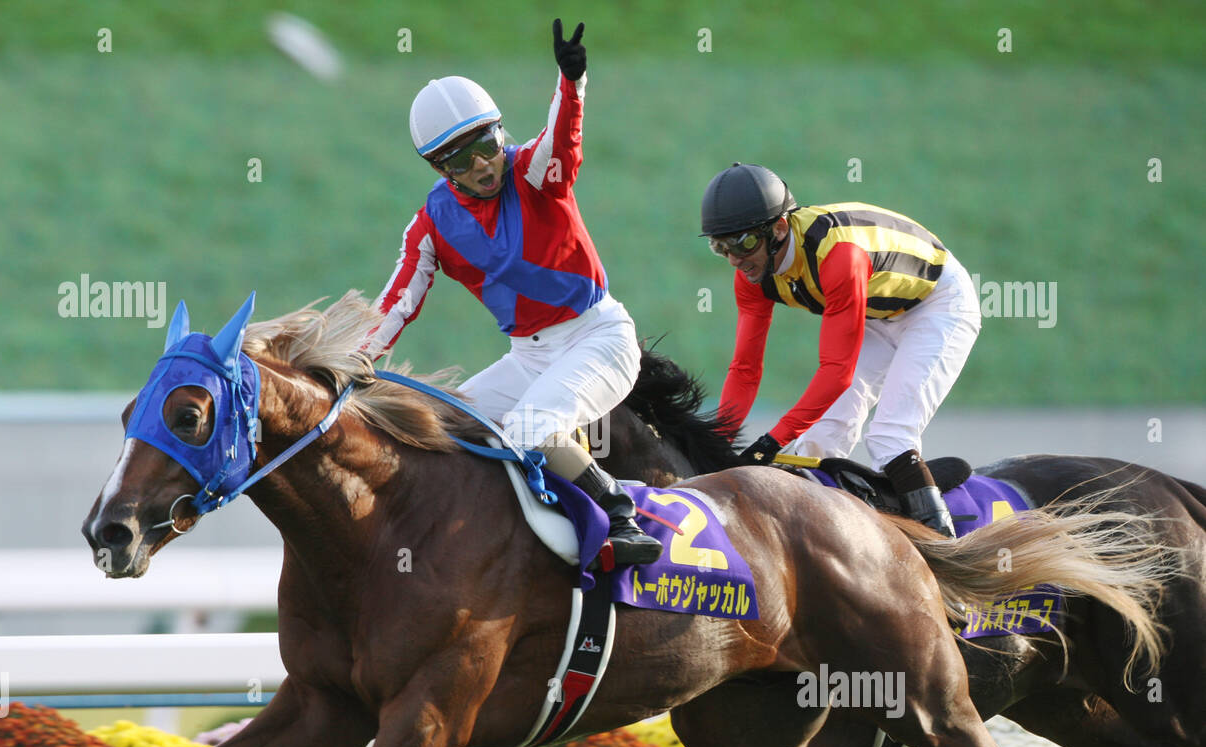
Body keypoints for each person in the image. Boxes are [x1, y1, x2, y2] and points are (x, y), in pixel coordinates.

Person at [361, 19, 662, 565]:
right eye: (460, 159)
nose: (482, 165)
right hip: (529, 355)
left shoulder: (534, 171)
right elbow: (396, 304)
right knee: (440, 426)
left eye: (486, 144)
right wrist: (353, 362)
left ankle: (620, 515)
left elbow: (563, 138)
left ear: (501, 132)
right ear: (437, 167)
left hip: (599, 336)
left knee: (528, 427)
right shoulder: (428, 225)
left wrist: (573, 82)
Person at [701, 163, 982, 536]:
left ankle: (948, 555)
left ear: (780, 228)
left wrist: (772, 440)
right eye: (721, 246)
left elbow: (837, 371)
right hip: (879, 312)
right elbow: (745, 369)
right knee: (817, 441)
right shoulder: (751, 275)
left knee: (890, 436)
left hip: (938, 303)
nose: (735, 258)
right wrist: (718, 441)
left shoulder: (838, 256)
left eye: (744, 242)